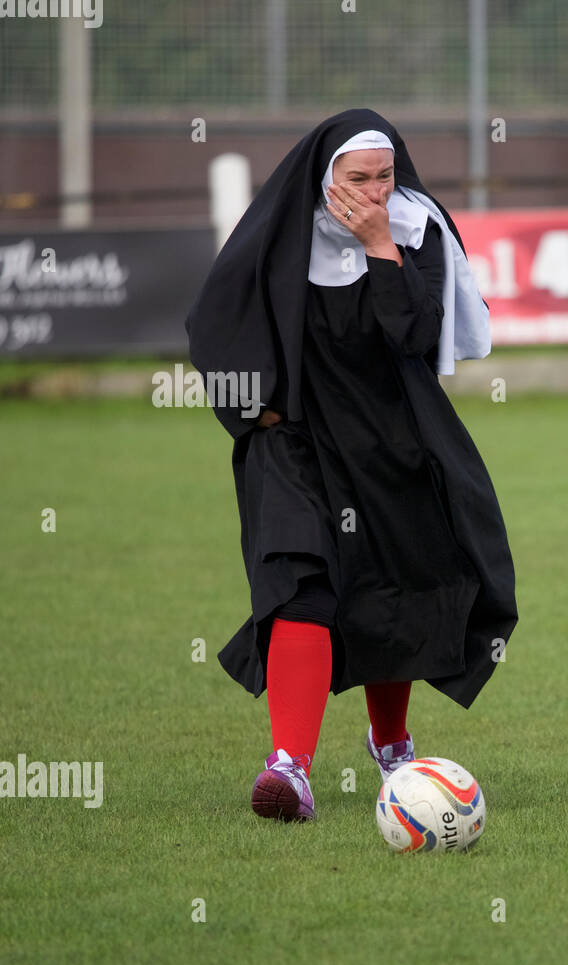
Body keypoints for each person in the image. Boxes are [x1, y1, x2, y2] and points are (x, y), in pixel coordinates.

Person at [186, 108, 517, 823]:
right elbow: (212, 324)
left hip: (389, 440)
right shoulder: (280, 233)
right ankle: (290, 769)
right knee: (299, 584)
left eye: (384, 177)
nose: (372, 193)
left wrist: (379, 248)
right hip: (295, 443)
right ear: (323, 176)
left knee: (391, 588)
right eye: (356, 179)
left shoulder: (415, 229)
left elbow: (419, 334)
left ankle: (391, 745)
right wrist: (253, 411)